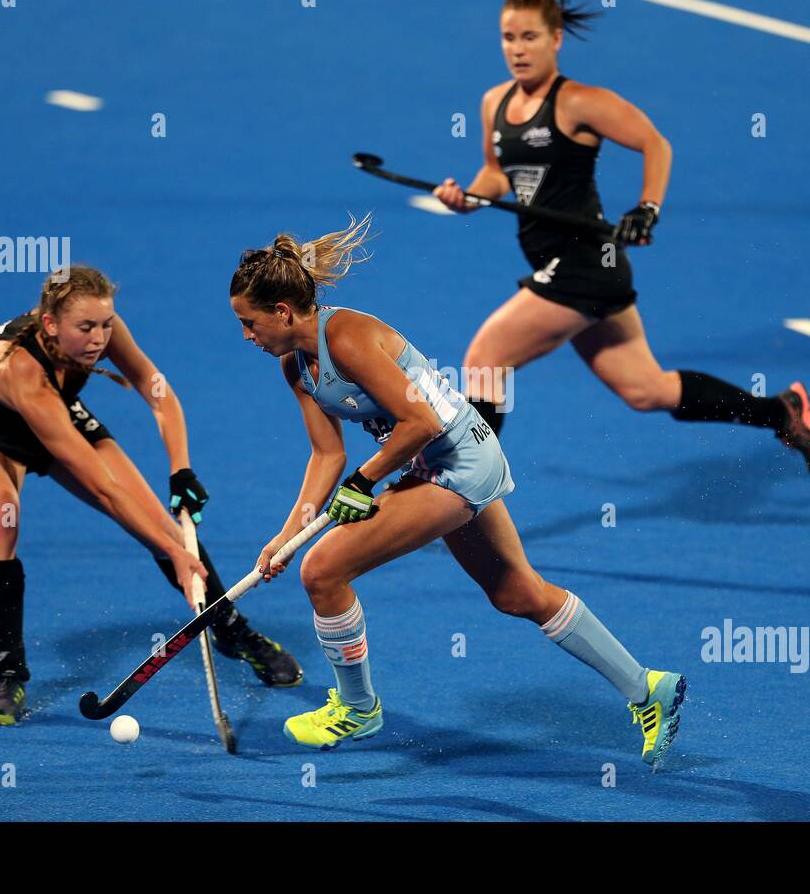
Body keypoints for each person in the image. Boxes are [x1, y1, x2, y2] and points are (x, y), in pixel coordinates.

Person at [229, 217, 686, 767]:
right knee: (517, 594)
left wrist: (365, 485)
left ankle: (357, 707)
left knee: (323, 571)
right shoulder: (295, 367)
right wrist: (287, 535)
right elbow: (328, 455)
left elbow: (418, 422)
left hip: (457, 461)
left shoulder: (346, 337)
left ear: (282, 312)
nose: (246, 337)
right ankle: (647, 688)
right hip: (436, 462)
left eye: (250, 323)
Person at [432, 0, 810, 472]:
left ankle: (467, 485)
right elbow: (495, 173)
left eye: (529, 37)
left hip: (584, 265)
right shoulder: (493, 103)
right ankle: (781, 412)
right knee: (646, 390)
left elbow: (655, 144)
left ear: (556, 41)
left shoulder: (578, 102)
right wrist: (467, 198)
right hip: (567, 266)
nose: (517, 49)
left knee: (485, 361)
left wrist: (647, 209)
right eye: (508, 38)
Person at [0, 265, 301, 726]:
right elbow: (104, 490)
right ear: (51, 324)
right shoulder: (21, 371)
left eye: (105, 324)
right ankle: (7, 676)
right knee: (1, 517)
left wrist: (180, 469)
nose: (97, 337)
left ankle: (230, 628)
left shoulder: (104, 328)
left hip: (57, 414)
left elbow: (158, 391)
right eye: (85, 327)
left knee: (161, 523)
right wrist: (172, 549)